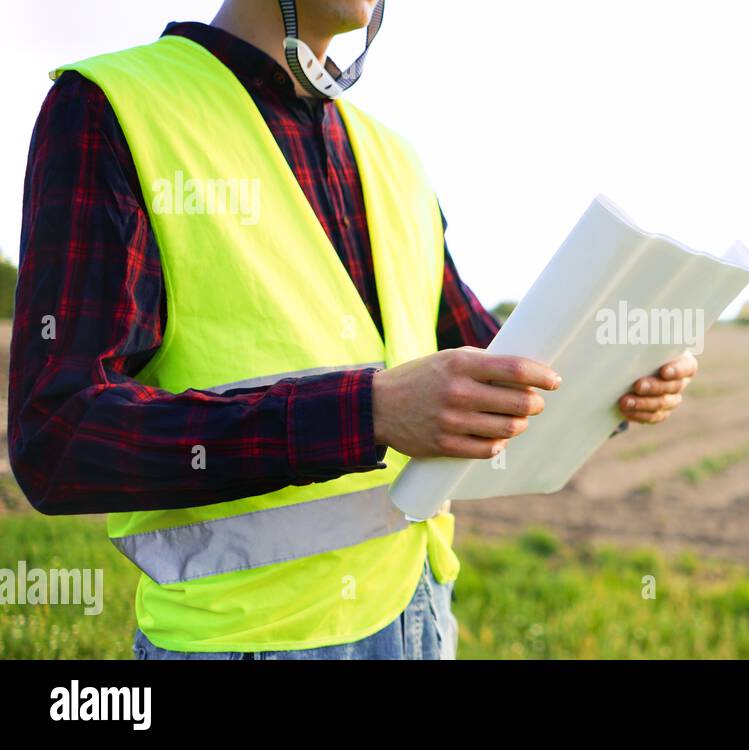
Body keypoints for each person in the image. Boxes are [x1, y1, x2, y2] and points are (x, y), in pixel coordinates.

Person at [9, 0, 698, 660]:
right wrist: (370, 411)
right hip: (244, 643)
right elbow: (60, 436)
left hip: (421, 618)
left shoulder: (395, 159)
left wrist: (617, 380)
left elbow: (496, 367)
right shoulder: (109, 108)